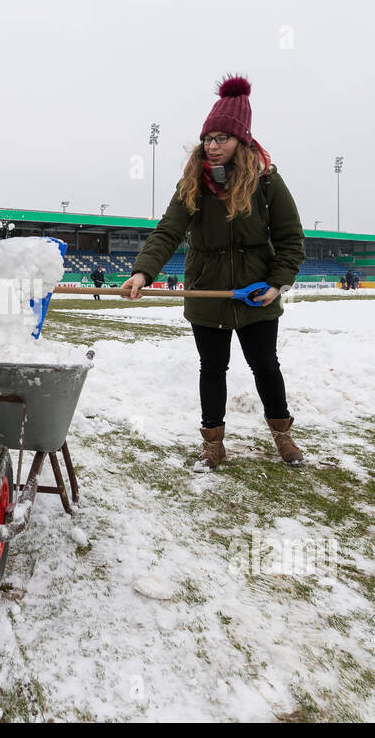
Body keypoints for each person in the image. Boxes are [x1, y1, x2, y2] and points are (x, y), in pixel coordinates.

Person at [123, 75, 306, 470]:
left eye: (223, 138)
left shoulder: (267, 182)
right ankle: (213, 444)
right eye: (209, 138)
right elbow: (168, 231)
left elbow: (291, 239)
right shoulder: (193, 184)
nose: (213, 145)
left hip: (257, 294)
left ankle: (282, 435)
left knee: (265, 365)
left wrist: (276, 285)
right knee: (212, 369)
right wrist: (143, 272)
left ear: (241, 141)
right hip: (207, 294)